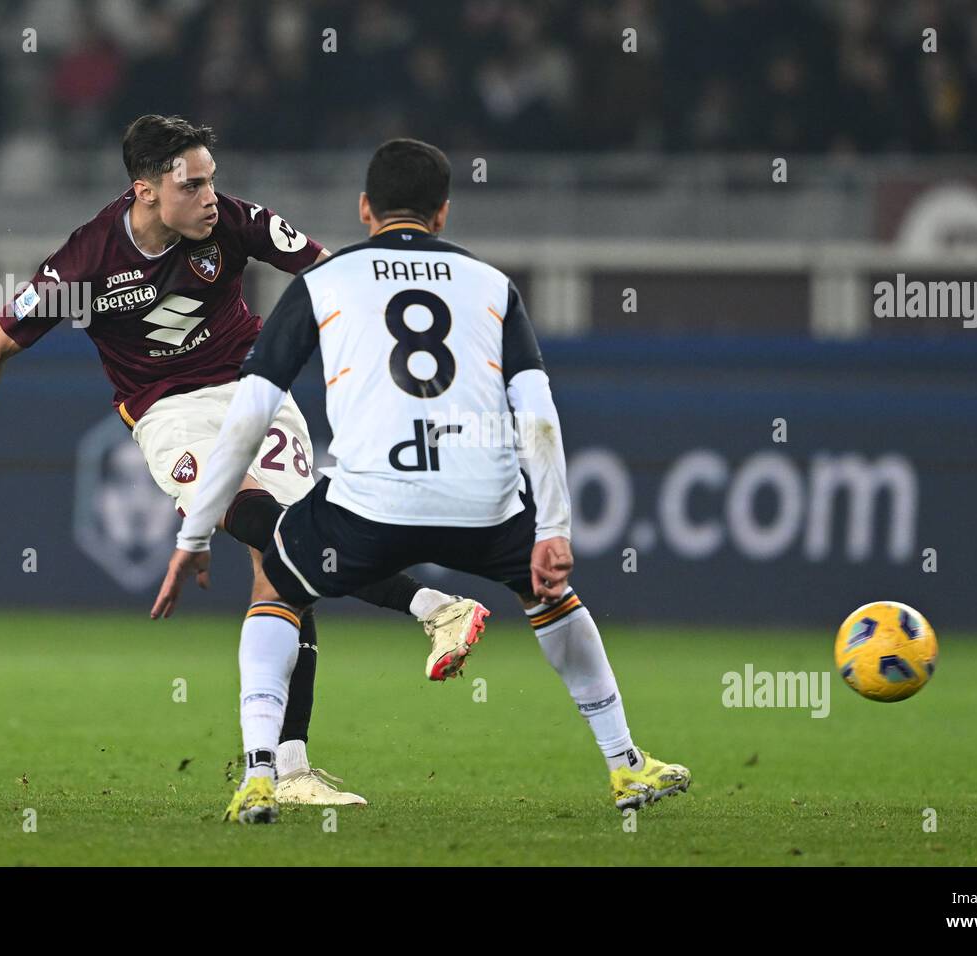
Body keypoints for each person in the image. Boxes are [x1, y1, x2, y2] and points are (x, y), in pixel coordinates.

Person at [0, 116, 487, 806]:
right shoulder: (86, 264)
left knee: (283, 573)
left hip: (257, 393)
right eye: (191, 185)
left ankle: (289, 768)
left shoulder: (236, 224)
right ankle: (428, 604)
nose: (210, 197)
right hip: (170, 412)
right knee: (273, 529)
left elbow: (331, 273)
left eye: (211, 179)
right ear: (146, 191)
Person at [153, 138, 691, 823]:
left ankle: (260, 774)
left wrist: (195, 531)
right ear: (441, 215)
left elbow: (250, 414)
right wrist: (552, 529)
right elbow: (538, 416)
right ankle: (624, 766)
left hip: (368, 504)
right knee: (553, 598)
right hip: (483, 502)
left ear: (364, 209)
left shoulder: (323, 282)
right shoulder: (493, 286)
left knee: (281, 587)